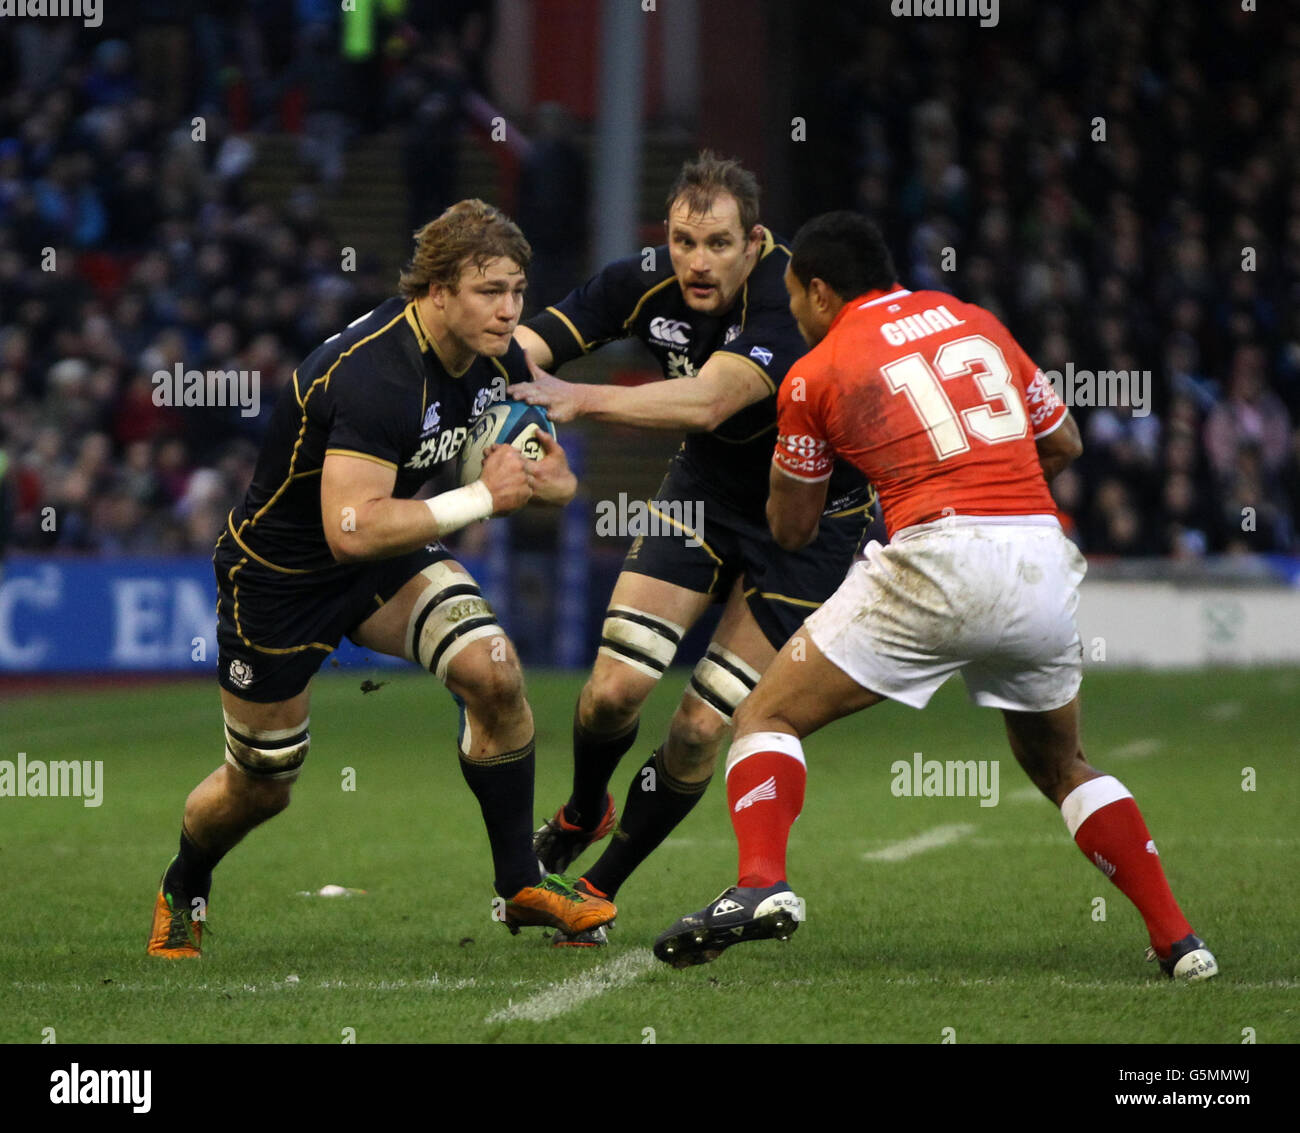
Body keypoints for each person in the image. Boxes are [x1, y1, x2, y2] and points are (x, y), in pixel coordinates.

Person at [653, 211, 1217, 982]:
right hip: (1039, 557)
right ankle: (1179, 940)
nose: (793, 315)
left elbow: (792, 529)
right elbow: (1064, 443)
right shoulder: (976, 320)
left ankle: (760, 883)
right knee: (1063, 764)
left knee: (765, 715)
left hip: (936, 559)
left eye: (793, 298)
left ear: (819, 292)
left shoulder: (816, 371)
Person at [146, 199, 616, 958]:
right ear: (437, 291)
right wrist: (482, 496)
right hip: (282, 578)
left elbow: (540, 474)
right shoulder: (373, 374)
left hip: (387, 552)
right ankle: (184, 880)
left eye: (517, 291)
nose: (509, 310)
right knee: (262, 784)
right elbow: (349, 528)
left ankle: (521, 882)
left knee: (493, 671)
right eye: (489, 291)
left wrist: (542, 478)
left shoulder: (498, 358)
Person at [509, 154, 875, 924]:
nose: (697, 262)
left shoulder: (790, 299)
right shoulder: (646, 281)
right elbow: (530, 346)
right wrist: (488, 388)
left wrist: (578, 398)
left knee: (701, 724)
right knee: (612, 691)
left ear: (755, 242)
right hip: (705, 493)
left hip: (809, 523)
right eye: (683, 241)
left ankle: (599, 886)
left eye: (717, 243)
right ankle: (583, 808)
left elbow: (709, 402)